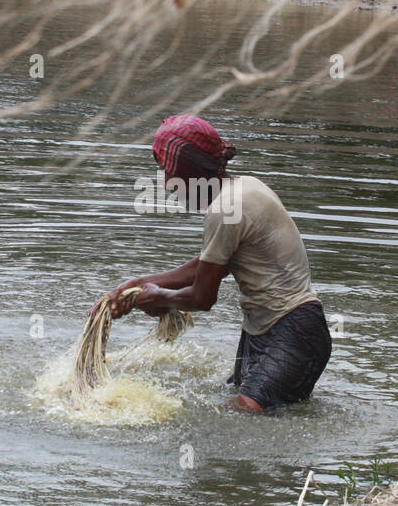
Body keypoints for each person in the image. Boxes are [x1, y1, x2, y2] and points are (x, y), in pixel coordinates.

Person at [100, 114, 332, 413]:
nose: (168, 183)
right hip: (268, 331)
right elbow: (206, 267)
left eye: (170, 172)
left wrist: (160, 298)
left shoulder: (226, 209)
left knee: (244, 412)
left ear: (191, 171)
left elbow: (202, 297)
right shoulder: (245, 187)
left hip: (293, 331)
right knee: (264, 415)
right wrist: (134, 286)